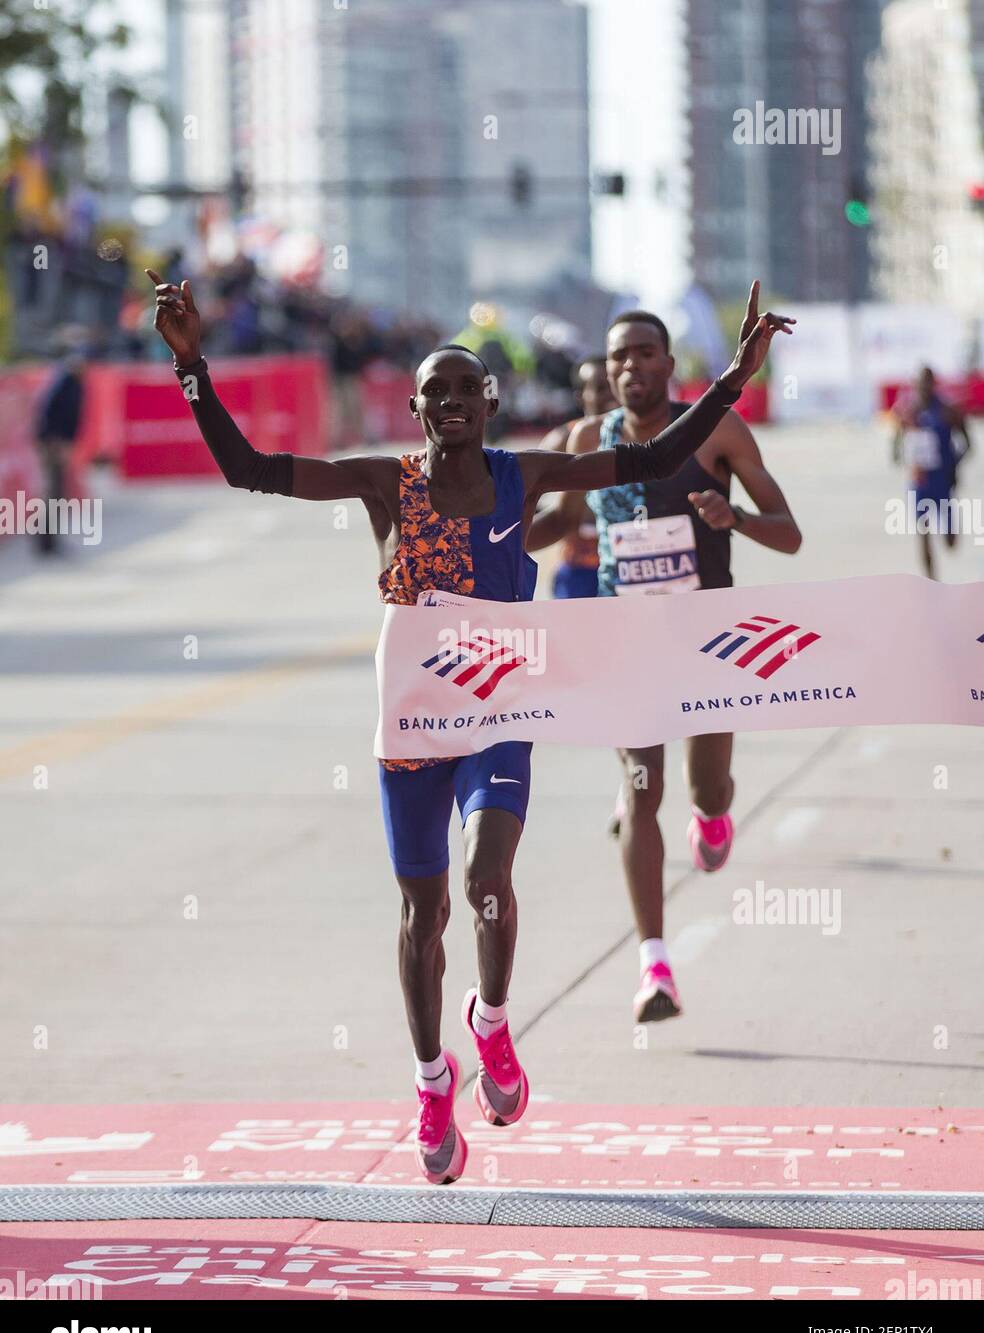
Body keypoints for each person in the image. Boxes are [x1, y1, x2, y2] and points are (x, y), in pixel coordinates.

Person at [146, 268, 792, 1182]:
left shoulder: (520, 475)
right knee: (423, 912)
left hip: (498, 714)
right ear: (415, 408)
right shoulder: (384, 483)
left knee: (488, 876)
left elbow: (646, 461)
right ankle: (428, 1079)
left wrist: (730, 379)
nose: (450, 400)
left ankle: (491, 1023)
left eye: (465, 387)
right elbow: (250, 470)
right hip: (412, 725)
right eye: (434, 390)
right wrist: (192, 368)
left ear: (489, 402)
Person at [528, 297, 802, 1024]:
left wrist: (733, 516)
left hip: (708, 645)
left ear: (667, 364)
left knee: (707, 790)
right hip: (631, 649)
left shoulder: (717, 430)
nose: (630, 367)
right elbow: (558, 519)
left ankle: (713, 818)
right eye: (618, 356)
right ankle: (655, 965)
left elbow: (790, 534)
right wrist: (482, 544)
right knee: (639, 791)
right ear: (607, 369)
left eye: (644, 354)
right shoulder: (590, 437)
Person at [539, 356, 616, 598]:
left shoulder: (639, 436)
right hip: (579, 570)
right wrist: (569, 518)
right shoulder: (561, 440)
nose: (612, 395)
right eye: (600, 387)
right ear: (581, 395)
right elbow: (526, 499)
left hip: (631, 567)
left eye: (614, 384)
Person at [892, 366, 972, 579]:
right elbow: (897, 444)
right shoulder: (908, 411)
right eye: (919, 383)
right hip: (920, 483)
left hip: (942, 482)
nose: (924, 388)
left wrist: (954, 467)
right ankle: (932, 583)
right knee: (923, 531)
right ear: (914, 384)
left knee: (950, 542)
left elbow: (968, 445)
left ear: (934, 384)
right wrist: (904, 457)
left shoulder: (949, 411)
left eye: (928, 383)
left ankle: (950, 534)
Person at [33, 351, 85, 554]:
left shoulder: (74, 383)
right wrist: (55, 441)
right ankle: (45, 542)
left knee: (57, 493)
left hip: (59, 443)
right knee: (52, 493)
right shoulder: (63, 382)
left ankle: (51, 540)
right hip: (53, 444)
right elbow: (47, 412)